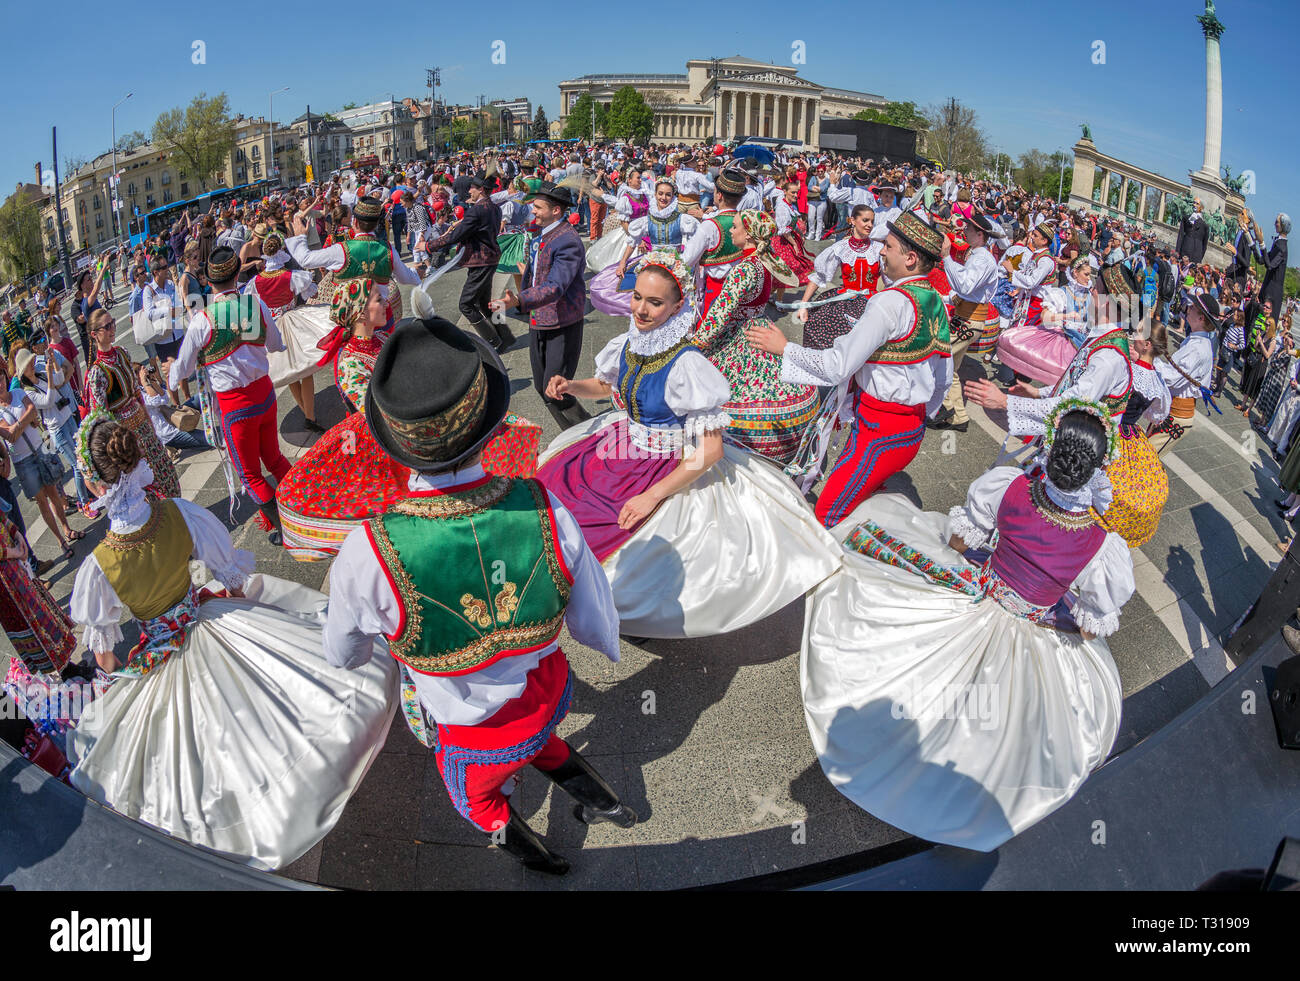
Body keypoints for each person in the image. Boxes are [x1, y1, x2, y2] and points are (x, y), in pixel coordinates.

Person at [322, 316, 634, 876]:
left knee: (477, 799)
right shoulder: (544, 506)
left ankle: (546, 864)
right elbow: (592, 619)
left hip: (466, 727)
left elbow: (343, 653)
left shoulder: (368, 551)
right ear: (488, 424)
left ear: (396, 440)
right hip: (543, 691)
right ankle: (603, 797)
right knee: (538, 739)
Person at [65, 414, 397, 871]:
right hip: (208, 619)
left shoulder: (99, 566)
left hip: (162, 651)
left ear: (94, 479)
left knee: (201, 748)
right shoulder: (178, 512)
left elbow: (105, 655)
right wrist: (250, 614)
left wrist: (121, 682)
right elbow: (231, 576)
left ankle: (247, 822)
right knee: (258, 708)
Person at [800, 402, 1134, 852]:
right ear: (1097, 470)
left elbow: (960, 541)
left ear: (1050, 449)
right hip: (1033, 625)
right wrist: (1050, 603)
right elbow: (1092, 627)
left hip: (979, 594)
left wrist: (986, 561)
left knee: (922, 670)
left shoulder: (1010, 486)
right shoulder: (1102, 548)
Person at [535, 251, 840, 636]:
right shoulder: (631, 342)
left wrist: (652, 496)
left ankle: (633, 619)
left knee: (631, 552)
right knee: (557, 504)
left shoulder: (687, 364)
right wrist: (571, 386)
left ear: (679, 305)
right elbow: (608, 386)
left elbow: (710, 450)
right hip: (620, 445)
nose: (641, 310)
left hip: (665, 463)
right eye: (637, 297)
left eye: (655, 302)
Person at [746, 210, 954, 528]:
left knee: (829, 513)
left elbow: (838, 366)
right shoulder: (932, 298)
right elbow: (943, 375)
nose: (881, 250)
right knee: (856, 497)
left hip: (879, 432)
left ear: (911, 258)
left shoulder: (889, 303)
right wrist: (925, 411)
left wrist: (784, 348)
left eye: (889, 246)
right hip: (908, 428)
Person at [167, 247, 291, 545]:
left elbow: (180, 371)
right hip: (265, 396)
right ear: (237, 274)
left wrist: (171, 372)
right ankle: (302, 502)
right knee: (273, 458)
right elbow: (276, 345)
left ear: (209, 282)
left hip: (236, 410)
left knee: (251, 476)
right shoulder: (254, 305)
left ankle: (287, 531)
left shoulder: (202, 320)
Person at [691, 210, 817, 464]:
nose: (731, 231)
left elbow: (719, 314)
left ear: (748, 234)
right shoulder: (766, 263)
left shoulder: (744, 269)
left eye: (735, 227)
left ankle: (731, 451)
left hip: (739, 335)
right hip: (761, 326)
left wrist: (694, 345)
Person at [489, 183, 590, 430]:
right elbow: (540, 274)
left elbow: (556, 286)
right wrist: (528, 277)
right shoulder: (542, 234)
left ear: (556, 210)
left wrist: (519, 300)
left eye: (538, 207)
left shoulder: (567, 240)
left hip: (561, 321)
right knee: (542, 386)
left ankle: (584, 432)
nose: (532, 211)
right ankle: (573, 434)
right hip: (540, 319)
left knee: (556, 388)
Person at [0, 357, 81, 559]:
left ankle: (67, 528)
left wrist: (18, 425)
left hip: (40, 448)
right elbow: (9, 434)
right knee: (42, 502)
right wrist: (25, 421)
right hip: (22, 460)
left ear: (4, 378)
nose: (0, 384)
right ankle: (60, 541)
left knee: (54, 492)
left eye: (1, 379)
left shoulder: (18, 392)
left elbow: (33, 410)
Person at [423, 178, 515, 353]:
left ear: (480, 189)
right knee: (484, 303)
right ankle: (505, 336)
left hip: (481, 259)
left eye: (472, 188)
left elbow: (455, 236)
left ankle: (493, 340)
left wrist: (429, 246)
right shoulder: (493, 207)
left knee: (465, 304)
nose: (469, 192)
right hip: (489, 258)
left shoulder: (478, 210)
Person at [590, 175, 699, 319]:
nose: (663, 198)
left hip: (676, 263)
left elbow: (695, 243)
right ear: (655, 195)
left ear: (673, 197)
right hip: (653, 262)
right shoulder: (647, 221)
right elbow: (632, 242)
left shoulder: (683, 220)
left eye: (668, 194)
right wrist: (622, 263)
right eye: (660, 194)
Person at [247, 231, 324, 432]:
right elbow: (311, 292)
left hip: (272, 328)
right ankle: (310, 415)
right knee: (306, 369)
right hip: (292, 322)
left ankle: (308, 414)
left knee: (289, 371)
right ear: (281, 251)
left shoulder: (255, 282)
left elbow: (252, 307)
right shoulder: (291, 276)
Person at [930, 213, 1000, 433]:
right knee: (951, 367)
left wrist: (947, 257)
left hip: (970, 321)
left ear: (980, 234)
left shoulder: (983, 259)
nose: (964, 230)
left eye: (968, 228)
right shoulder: (978, 256)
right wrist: (942, 297)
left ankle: (945, 407)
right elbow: (965, 291)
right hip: (966, 318)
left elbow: (965, 286)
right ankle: (959, 416)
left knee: (940, 354)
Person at [11, 345, 90, 514]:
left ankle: (89, 493)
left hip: (67, 417)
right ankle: (84, 503)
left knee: (83, 457)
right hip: (57, 428)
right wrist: (49, 376)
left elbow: (60, 378)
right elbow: (49, 400)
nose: (32, 364)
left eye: (32, 361)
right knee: (77, 465)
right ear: (23, 371)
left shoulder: (40, 375)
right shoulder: (28, 392)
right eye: (28, 364)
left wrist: (54, 363)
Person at [794, 205, 881, 352]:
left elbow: (891, 280)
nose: (870, 225)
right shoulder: (841, 247)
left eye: (872, 221)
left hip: (871, 303)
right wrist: (804, 304)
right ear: (852, 220)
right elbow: (818, 277)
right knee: (821, 329)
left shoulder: (879, 249)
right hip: (846, 301)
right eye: (865, 220)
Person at [1175, 198, 1209, 263]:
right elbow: (1180, 236)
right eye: (1194, 203)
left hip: (1196, 256)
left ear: (1201, 207)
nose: (1194, 205)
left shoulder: (1205, 225)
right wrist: (1177, 252)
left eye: (1197, 204)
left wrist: (1199, 258)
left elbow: (1204, 244)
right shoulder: (1186, 218)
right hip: (1184, 252)